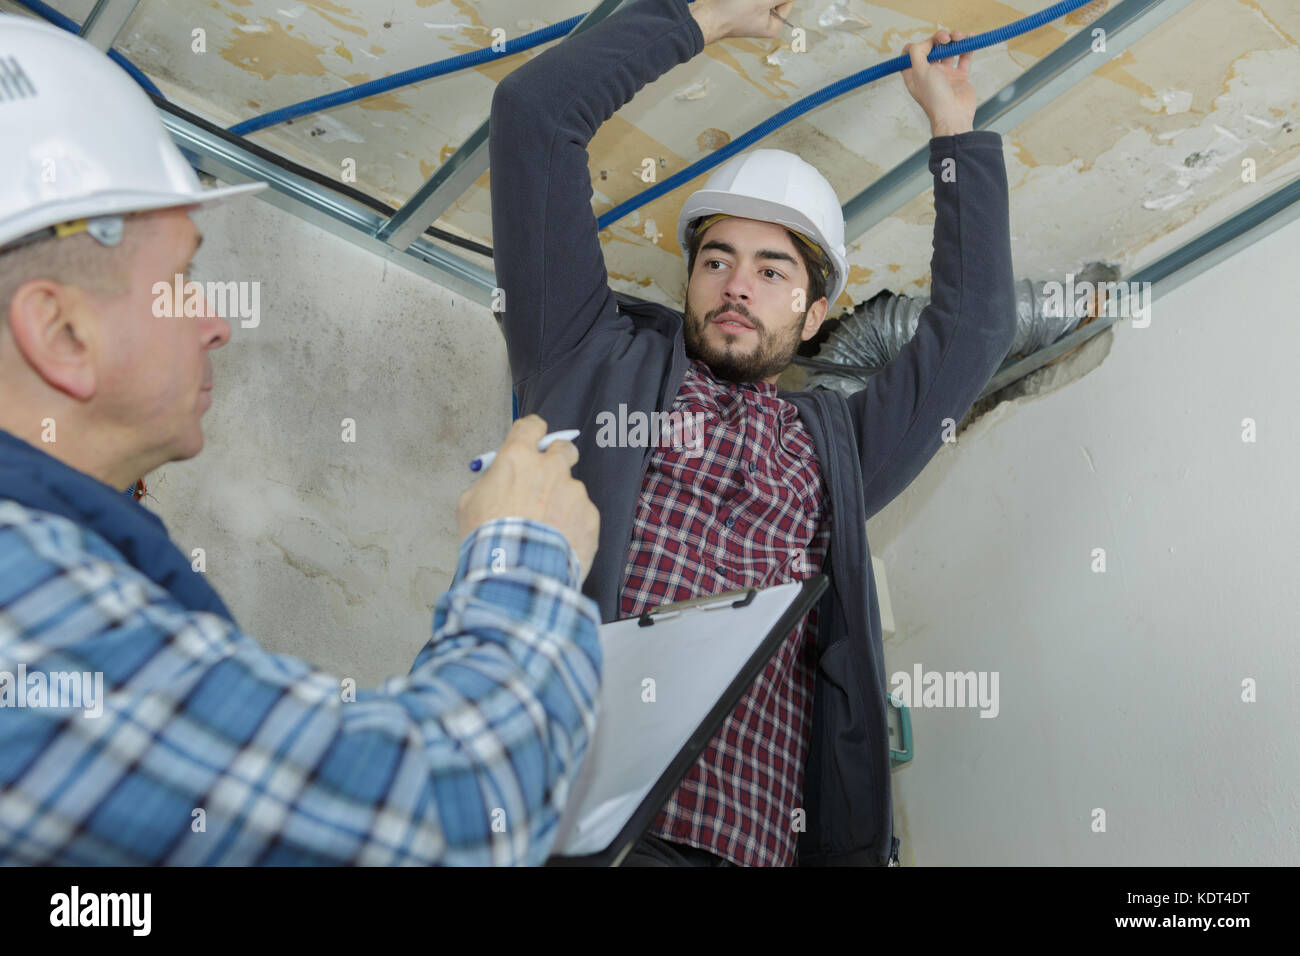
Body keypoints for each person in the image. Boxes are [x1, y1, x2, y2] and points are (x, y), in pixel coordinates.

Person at [0, 14, 601, 866]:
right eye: (180, 282)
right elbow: (450, 817)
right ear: (59, 334)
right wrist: (525, 551)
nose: (215, 325)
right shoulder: (30, 611)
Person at [489, 0, 1017, 866]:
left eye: (772, 271)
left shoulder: (837, 453)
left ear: (814, 317)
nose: (737, 284)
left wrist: (956, 130)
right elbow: (534, 116)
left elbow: (974, 332)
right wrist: (699, 18)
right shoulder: (587, 359)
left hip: (752, 849)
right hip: (577, 834)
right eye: (716, 259)